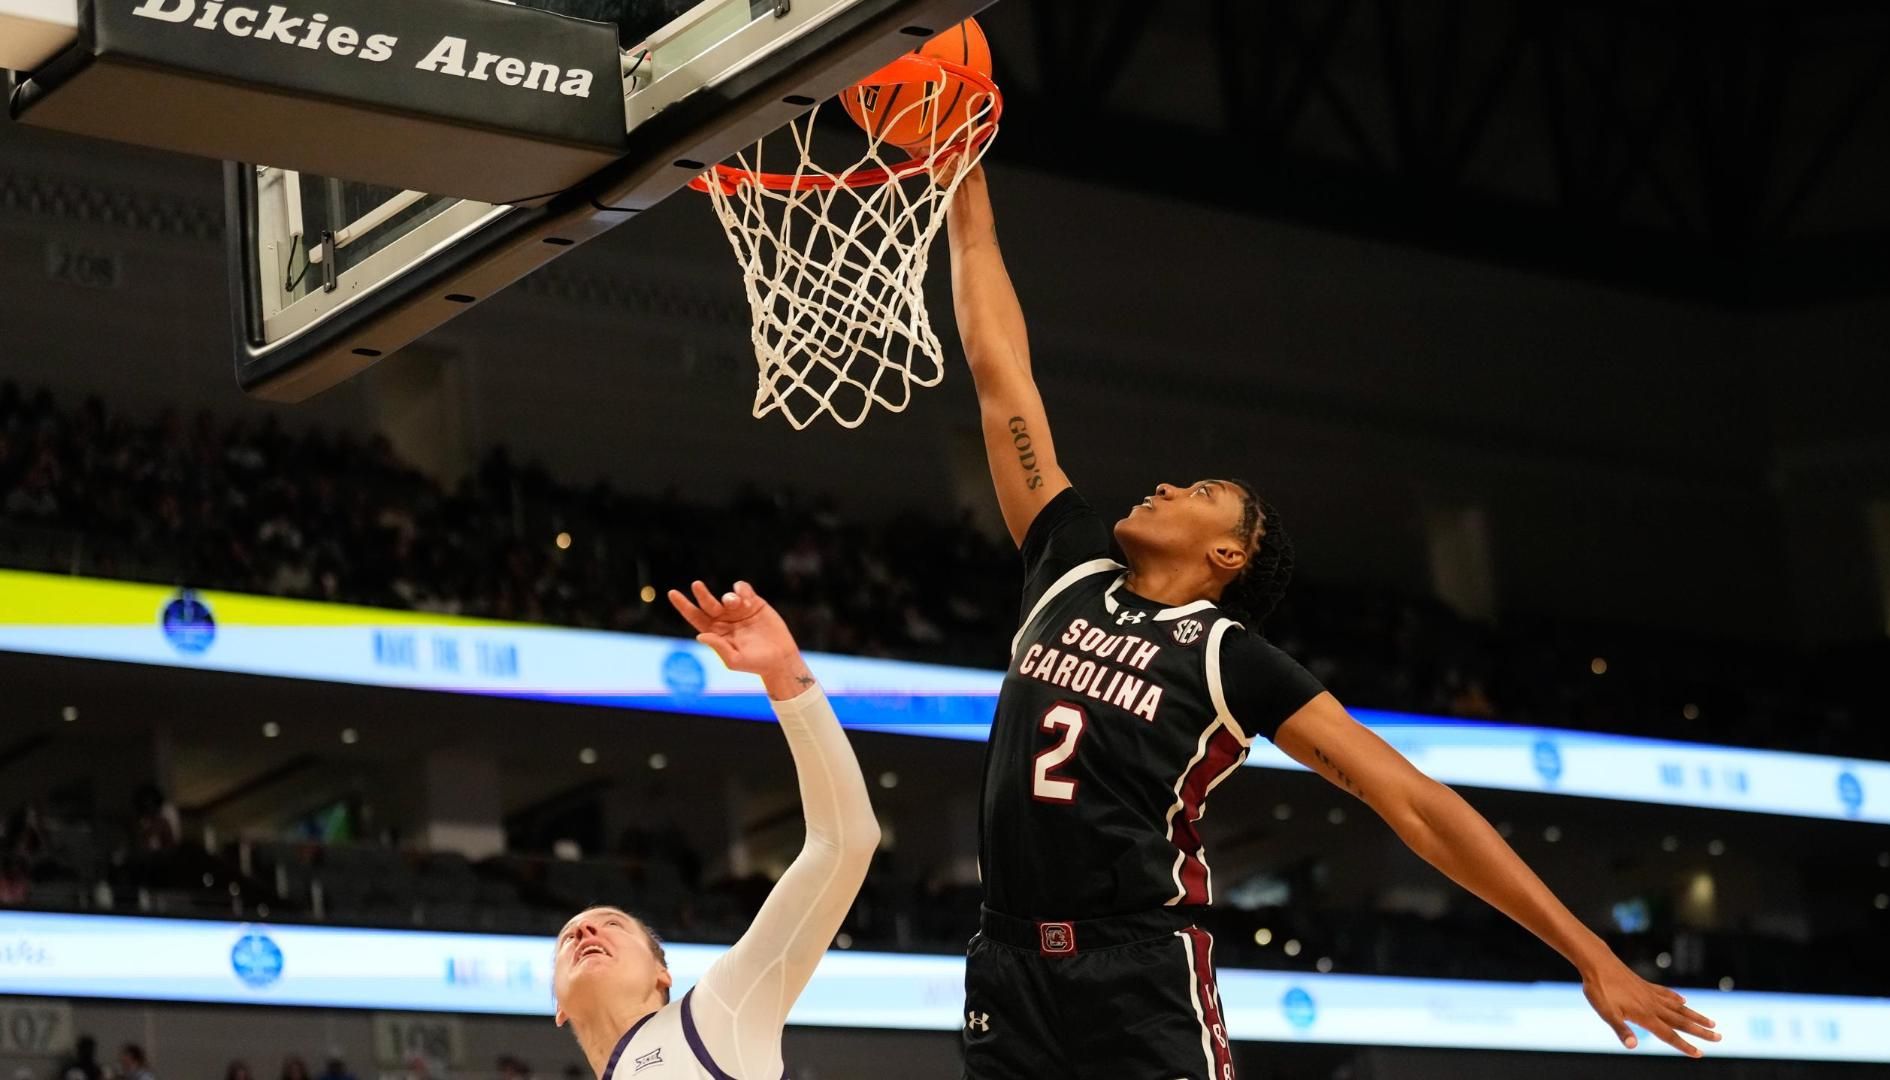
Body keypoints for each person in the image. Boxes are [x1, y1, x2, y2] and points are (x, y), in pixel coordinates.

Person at [942, 166, 1722, 1079]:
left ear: (1229, 554)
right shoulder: (1067, 565)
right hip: (1005, 969)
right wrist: (963, 184)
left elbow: (1416, 804)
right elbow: (1001, 370)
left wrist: (1590, 954)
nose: (1165, 485)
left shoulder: (1233, 661)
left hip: (1135, 977)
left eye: (1201, 491)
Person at [551, 580, 880, 1079]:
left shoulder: (714, 1015)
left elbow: (845, 843)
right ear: (558, 1005)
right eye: (567, 939)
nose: (584, 931)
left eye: (613, 924)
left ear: (662, 974)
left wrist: (783, 671)